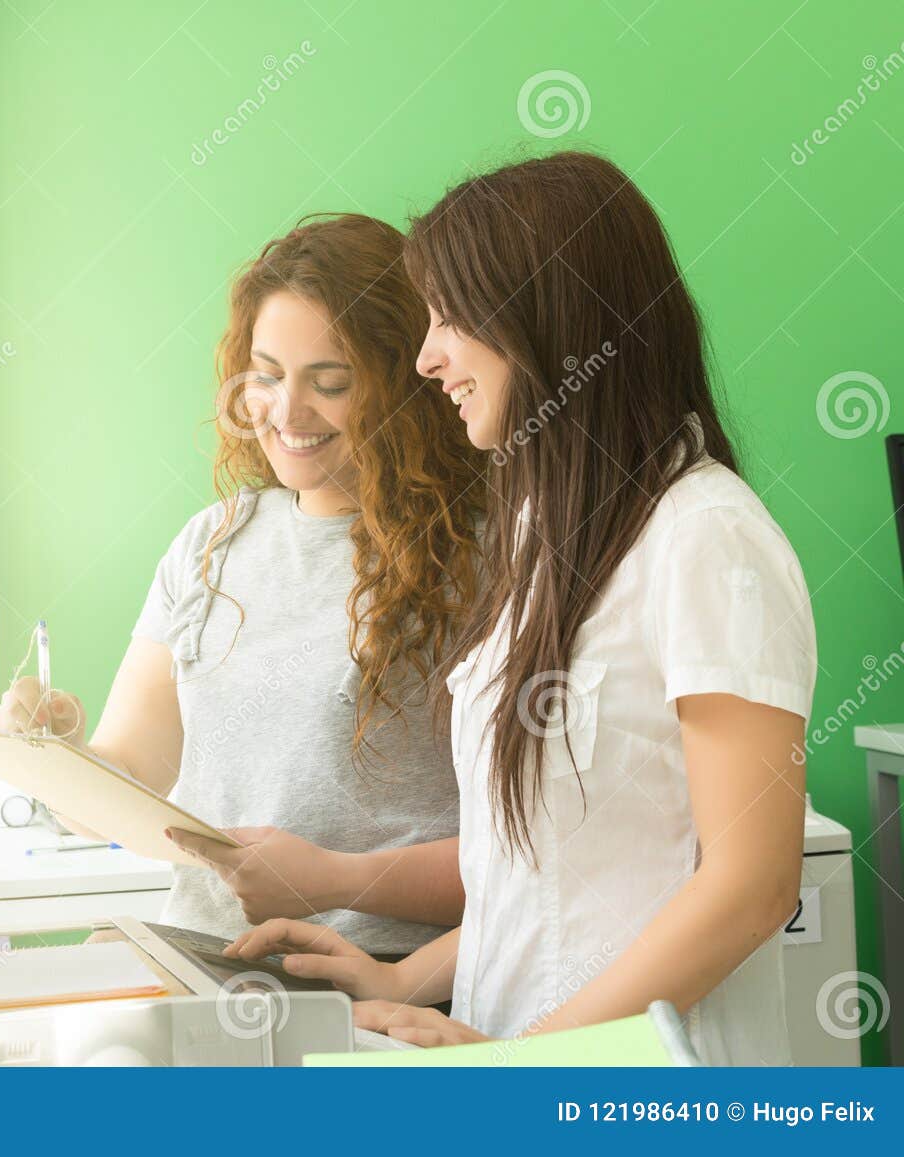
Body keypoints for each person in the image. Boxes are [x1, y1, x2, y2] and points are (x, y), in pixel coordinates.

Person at [228, 152, 816, 1065]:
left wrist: (523, 1061)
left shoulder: (706, 537)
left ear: (545, 319)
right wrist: (400, 979)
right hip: (522, 1061)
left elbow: (752, 883)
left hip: (636, 1076)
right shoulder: (549, 543)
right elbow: (545, 881)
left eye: (452, 320)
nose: (427, 357)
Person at [0, 214, 482, 954]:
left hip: (378, 972)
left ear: (403, 379)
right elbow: (127, 787)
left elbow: (529, 858)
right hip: (207, 957)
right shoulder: (210, 544)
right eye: (267, 374)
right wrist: (54, 758)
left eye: (332, 381)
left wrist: (338, 879)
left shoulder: (477, 555)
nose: (287, 412)